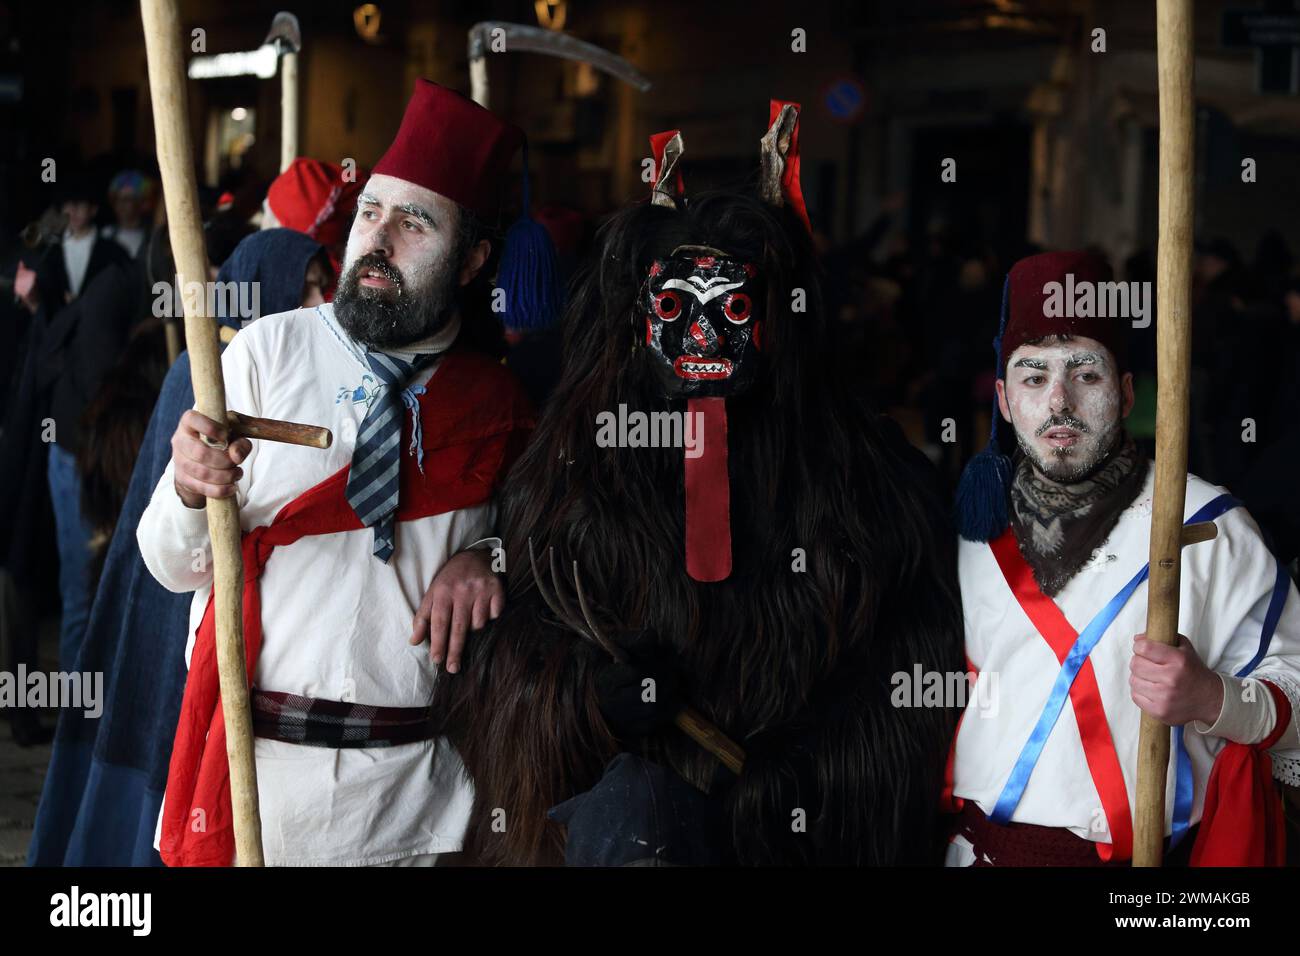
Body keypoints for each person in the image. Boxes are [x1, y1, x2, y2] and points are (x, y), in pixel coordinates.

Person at [444, 106, 965, 866]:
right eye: (672, 307)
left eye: (733, 309)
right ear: (635, 318)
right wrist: (582, 701)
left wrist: (790, 783)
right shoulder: (573, 467)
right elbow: (499, 655)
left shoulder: (867, 479)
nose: (700, 336)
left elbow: (914, 670)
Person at [136, 80, 535, 867]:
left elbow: (549, 553)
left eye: (414, 223)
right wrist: (188, 486)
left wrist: (489, 558)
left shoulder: (497, 404)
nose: (378, 240)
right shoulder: (264, 354)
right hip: (257, 787)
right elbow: (170, 566)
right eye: (370, 213)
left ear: (472, 261)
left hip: (415, 804)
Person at [947, 249, 1300, 866]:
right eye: (1033, 377)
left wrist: (1212, 699)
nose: (1059, 402)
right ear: (1003, 398)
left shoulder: (1208, 523)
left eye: (1086, 375)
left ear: (1128, 391)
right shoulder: (969, 527)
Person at [27, 228, 330, 866]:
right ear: (261, 290)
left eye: (322, 285)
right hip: (177, 592)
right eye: (303, 288)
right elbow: (167, 526)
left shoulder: (300, 376)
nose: (319, 302)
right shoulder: (204, 376)